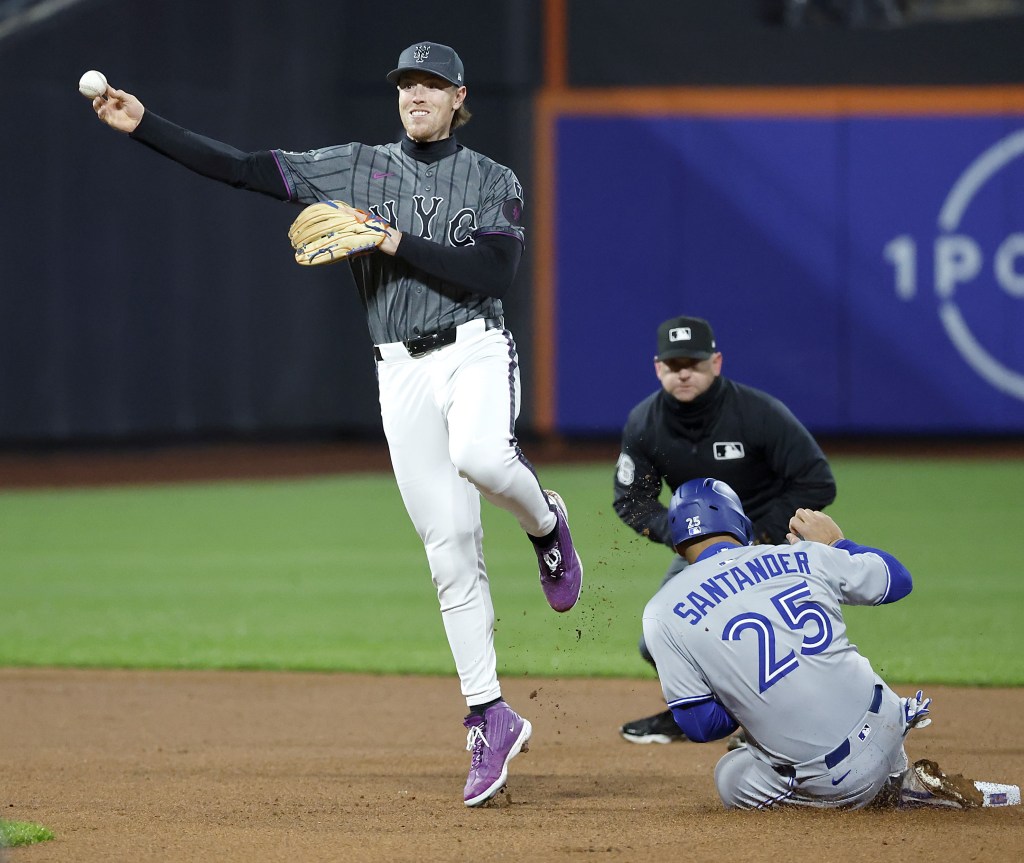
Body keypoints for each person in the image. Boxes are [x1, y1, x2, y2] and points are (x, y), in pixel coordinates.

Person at [88, 41, 583, 808]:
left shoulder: (492, 178)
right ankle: (489, 713)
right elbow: (246, 169)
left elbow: (494, 274)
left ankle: (547, 524)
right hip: (398, 369)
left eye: (431, 85)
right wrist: (146, 123)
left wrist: (389, 238)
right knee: (448, 550)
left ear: (459, 98)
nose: (415, 96)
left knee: (484, 457)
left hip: (474, 349)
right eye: (405, 86)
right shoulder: (355, 166)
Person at [642, 477, 1002, 810]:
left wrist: (747, 696)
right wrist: (835, 544)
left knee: (731, 774)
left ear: (676, 544)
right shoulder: (800, 554)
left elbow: (701, 726)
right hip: (890, 726)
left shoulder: (662, 610)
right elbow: (898, 580)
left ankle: (866, 795)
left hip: (835, 780)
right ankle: (900, 780)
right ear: (742, 524)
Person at [614, 315, 836, 743]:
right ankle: (712, 710)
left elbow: (817, 479)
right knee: (653, 643)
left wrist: (763, 533)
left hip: (768, 546)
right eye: (673, 363)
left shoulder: (757, 413)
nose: (683, 372)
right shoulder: (645, 423)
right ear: (657, 367)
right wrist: (687, 536)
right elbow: (632, 500)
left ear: (715, 363)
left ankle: (793, 712)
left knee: (776, 631)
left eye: (693, 363)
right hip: (703, 556)